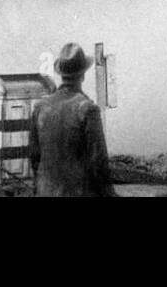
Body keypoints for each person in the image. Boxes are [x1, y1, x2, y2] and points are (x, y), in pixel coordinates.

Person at [29, 43, 116, 197]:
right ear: (82, 75)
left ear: (61, 74)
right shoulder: (87, 110)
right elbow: (99, 165)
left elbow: (35, 158)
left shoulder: (40, 108)